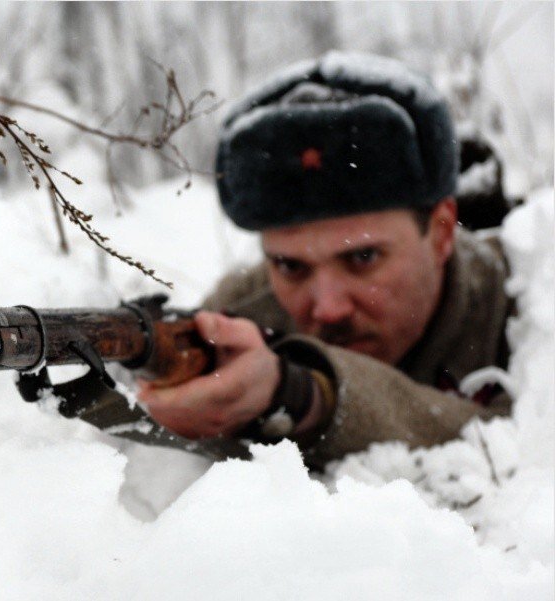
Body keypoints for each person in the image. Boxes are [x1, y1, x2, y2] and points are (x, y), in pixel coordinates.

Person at [78, 52, 514, 468]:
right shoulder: (241, 312)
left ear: (440, 234)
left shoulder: (529, 299)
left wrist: (299, 395)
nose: (327, 307)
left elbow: (523, 445)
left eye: (362, 257)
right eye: (290, 266)